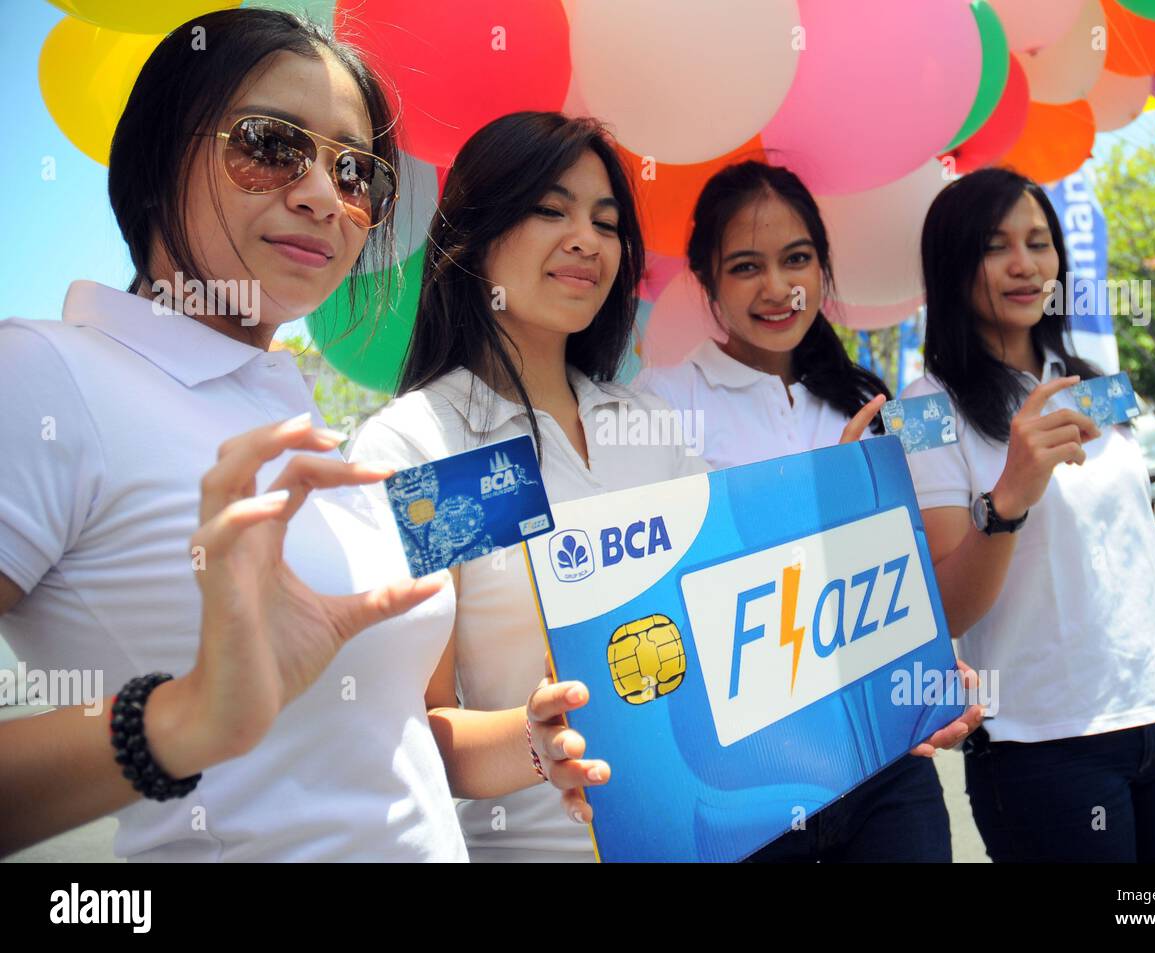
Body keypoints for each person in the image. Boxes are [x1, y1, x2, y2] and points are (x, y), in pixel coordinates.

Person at [0, 9, 594, 862]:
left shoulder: (308, 430)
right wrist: (184, 718)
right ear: (161, 147)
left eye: (358, 173)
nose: (323, 194)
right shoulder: (43, 374)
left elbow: (396, 739)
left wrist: (537, 741)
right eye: (271, 144)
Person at [348, 114, 977, 862]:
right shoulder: (429, 446)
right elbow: (415, 727)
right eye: (552, 209)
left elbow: (739, 628)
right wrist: (536, 740)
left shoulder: (641, 422)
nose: (587, 239)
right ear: (473, 234)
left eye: (607, 221)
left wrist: (883, 649)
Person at [901, 166, 1155, 863]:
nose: (1025, 265)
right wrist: (1009, 497)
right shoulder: (925, 406)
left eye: (1039, 241)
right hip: (1041, 744)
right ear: (951, 262)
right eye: (996, 245)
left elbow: (1137, 559)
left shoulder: (1089, 383)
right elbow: (949, 608)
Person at [635, 160, 967, 862]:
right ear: (708, 281)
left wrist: (937, 674)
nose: (779, 287)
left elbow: (912, 573)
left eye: (797, 259)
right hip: (748, 786)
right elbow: (666, 592)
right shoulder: (662, 401)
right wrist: (823, 500)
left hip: (886, 760)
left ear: (822, 267)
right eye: (746, 266)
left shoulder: (869, 401)